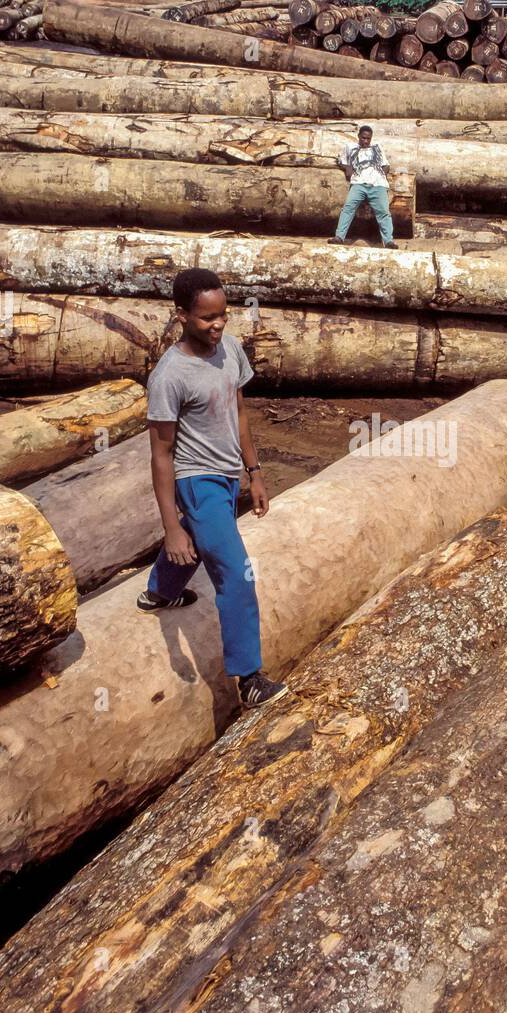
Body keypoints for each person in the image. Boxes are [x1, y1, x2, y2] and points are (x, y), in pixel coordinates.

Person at [137, 267, 287, 711]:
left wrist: (254, 473)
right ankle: (249, 678)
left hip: (225, 477)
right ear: (181, 315)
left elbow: (238, 412)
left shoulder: (231, 350)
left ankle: (159, 592)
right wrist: (170, 527)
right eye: (206, 319)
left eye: (222, 315)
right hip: (195, 479)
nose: (218, 324)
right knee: (236, 574)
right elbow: (161, 454)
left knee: (203, 537)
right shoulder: (169, 376)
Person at [328, 124, 398, 248]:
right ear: (359, 136)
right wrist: (348, 168)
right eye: (363, 138)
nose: (366, 141)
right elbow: (342, 161)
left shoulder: (377, 147)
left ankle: (388, 241)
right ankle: (339, 237)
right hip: (359, 183)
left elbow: (386, 165)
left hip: (378, 184)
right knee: (348, 208)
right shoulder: (350, 147)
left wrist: (381, 174)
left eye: (368, 139)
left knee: (383, 212)